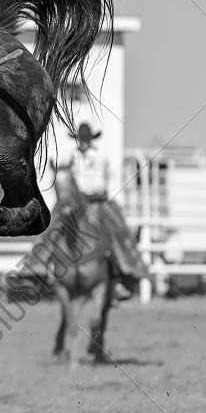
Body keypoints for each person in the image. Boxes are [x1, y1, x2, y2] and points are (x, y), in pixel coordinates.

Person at [61, 122, 144, 298]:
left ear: (91, 140)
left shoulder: (100, 156)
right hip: (76, 202)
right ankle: (42, 271)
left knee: (116, 231)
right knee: (55, 226)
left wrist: (95, 194)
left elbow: (103, 180)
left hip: (96, 200)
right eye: (81, 140)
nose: (83, 143)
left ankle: (122, 274)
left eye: (86, 140)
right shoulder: (71, 156)